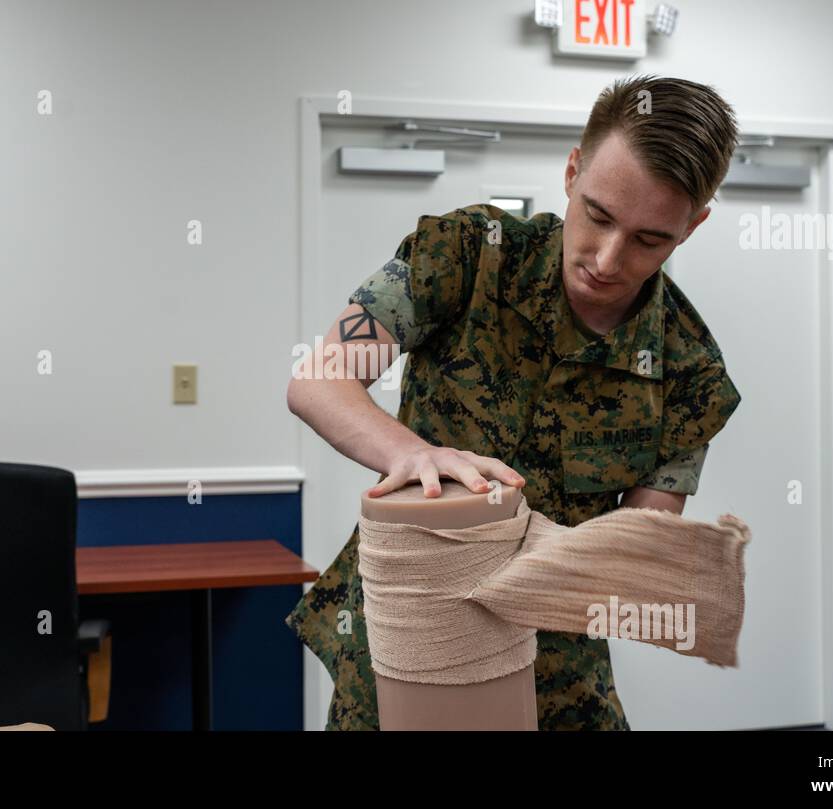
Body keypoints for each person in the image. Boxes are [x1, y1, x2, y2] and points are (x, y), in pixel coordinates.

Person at [285, 74, 744, 730]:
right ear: (571, 171)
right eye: (599, 215)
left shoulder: (688, 370)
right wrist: (414, 456)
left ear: (692, 226)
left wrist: (661, 575)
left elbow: (637, 545)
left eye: (650, 240)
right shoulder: (468, 256)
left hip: (556, 671)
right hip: (409, 650)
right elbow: (318, 380)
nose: (608, 260)